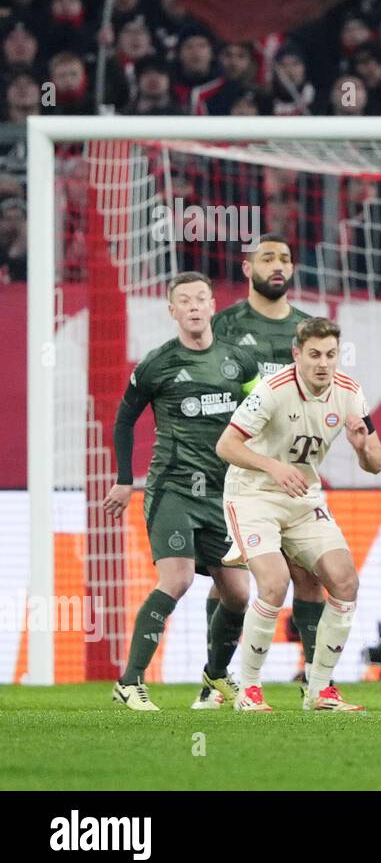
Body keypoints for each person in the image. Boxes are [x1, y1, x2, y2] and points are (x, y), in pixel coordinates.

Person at [104, 272, 260, 711]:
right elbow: (123, 420)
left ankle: (213, 680)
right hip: (173, 488)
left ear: (213, 306)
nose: (193, 306)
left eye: (200, 299)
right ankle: (130, 683)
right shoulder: (157, 364)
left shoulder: (239, 363)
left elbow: (261, 413)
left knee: (238, 594)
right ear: (172, 311)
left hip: (223, 494)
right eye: (184, 301)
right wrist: (123, 478)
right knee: (178, 579)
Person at [217, 318, 381, 712]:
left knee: (345, 581)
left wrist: (362, 448)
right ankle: (250, 689)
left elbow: (377, 463)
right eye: (314, 355)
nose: (323, 364)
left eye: (330, 355)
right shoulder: (272, 391)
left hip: (303, 498)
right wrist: (272, 466)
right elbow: (226, 445)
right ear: (297, 355)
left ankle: (320, 689)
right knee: (274, 584)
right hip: (253, 495)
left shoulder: (350, 394)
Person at [197, 235, 330, 710]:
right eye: (268, 258)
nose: (279, 266)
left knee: (310, 575)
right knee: (230, 579)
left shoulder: (307, 330)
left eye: (286, 259)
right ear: (247, 265)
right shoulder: (226, 324)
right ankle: (217, 681)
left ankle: (316, 684)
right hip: (240, 472)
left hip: (296, 475)